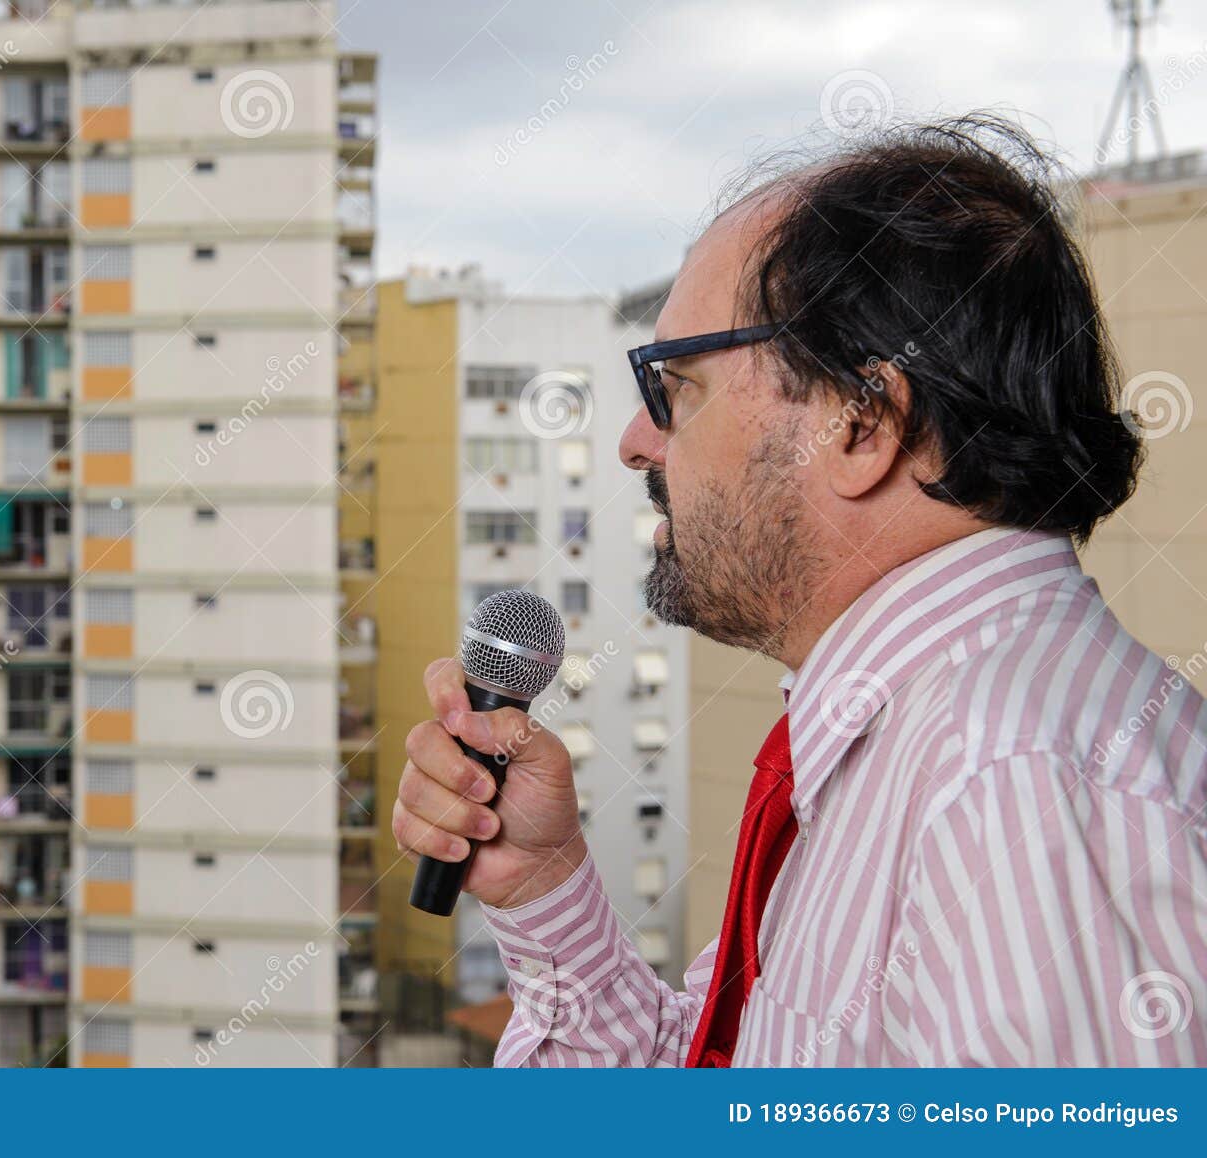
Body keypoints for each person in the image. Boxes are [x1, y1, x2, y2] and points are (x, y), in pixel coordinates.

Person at [391, 115, 1207, 1066]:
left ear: (863, 423)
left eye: (676, 387)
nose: (636, 443)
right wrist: (541, 885)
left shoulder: (1012, 792)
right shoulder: (925, 747)